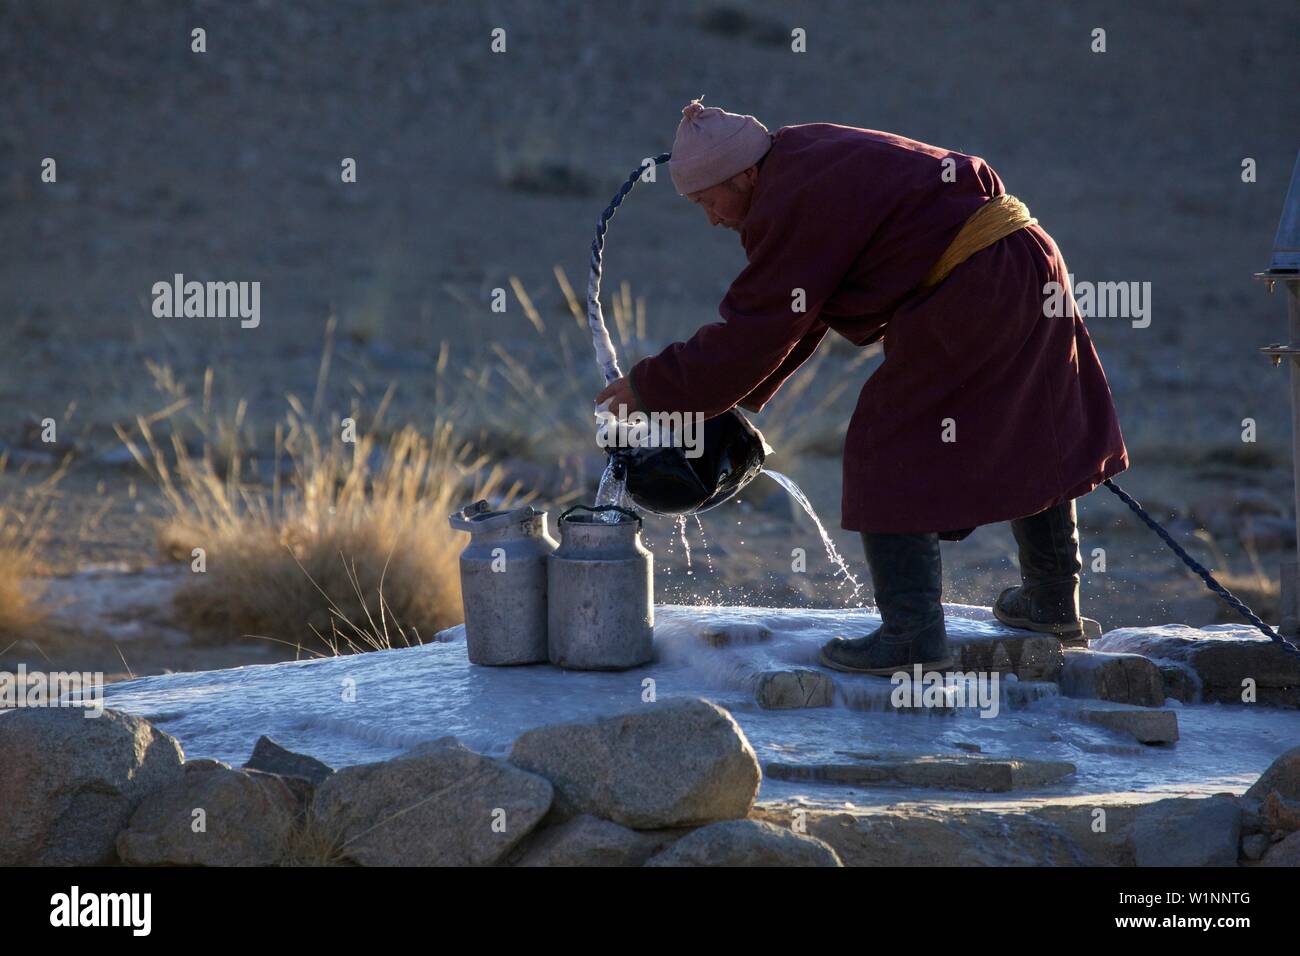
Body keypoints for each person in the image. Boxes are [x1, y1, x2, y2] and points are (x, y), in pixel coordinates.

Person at [595, 99, 1128, 676]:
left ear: (744, 175)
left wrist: (650, 389)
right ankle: (1051, 602)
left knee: (888, 440)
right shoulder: (801, 157)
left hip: (977, 280)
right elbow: (802, 313)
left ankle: (913, 636)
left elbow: (758, 327)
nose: (712, 219)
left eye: (709, 201)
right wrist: (716, 399)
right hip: (1023, 259)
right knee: (1031, 421)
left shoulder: (790, 198)